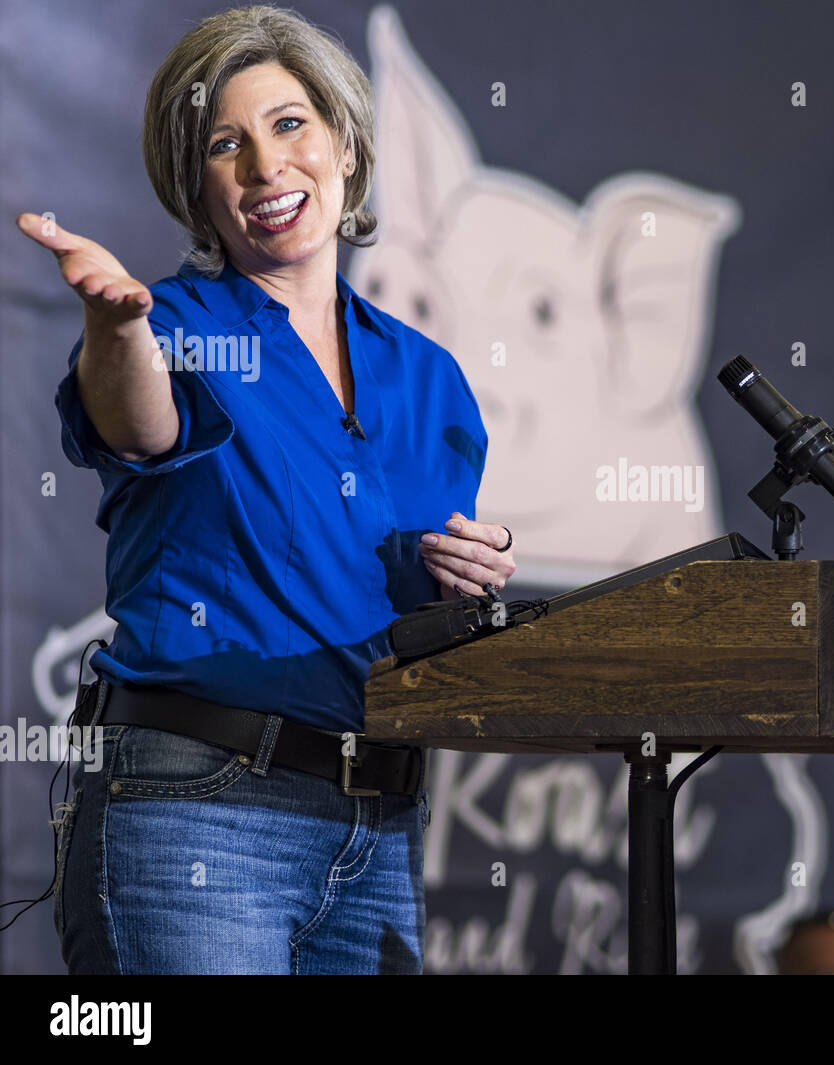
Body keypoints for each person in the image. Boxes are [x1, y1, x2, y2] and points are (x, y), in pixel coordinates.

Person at [15, 5, 514, 974]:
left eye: (290, 126)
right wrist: (116, 329)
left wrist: (464, 580)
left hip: (380, 824)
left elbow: (401, 604)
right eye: (224, 145)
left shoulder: (430, 378)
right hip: (198, 811)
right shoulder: (181, 325)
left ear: (348, 144)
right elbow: (137, 422)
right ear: (195, 191)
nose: (265, 166)